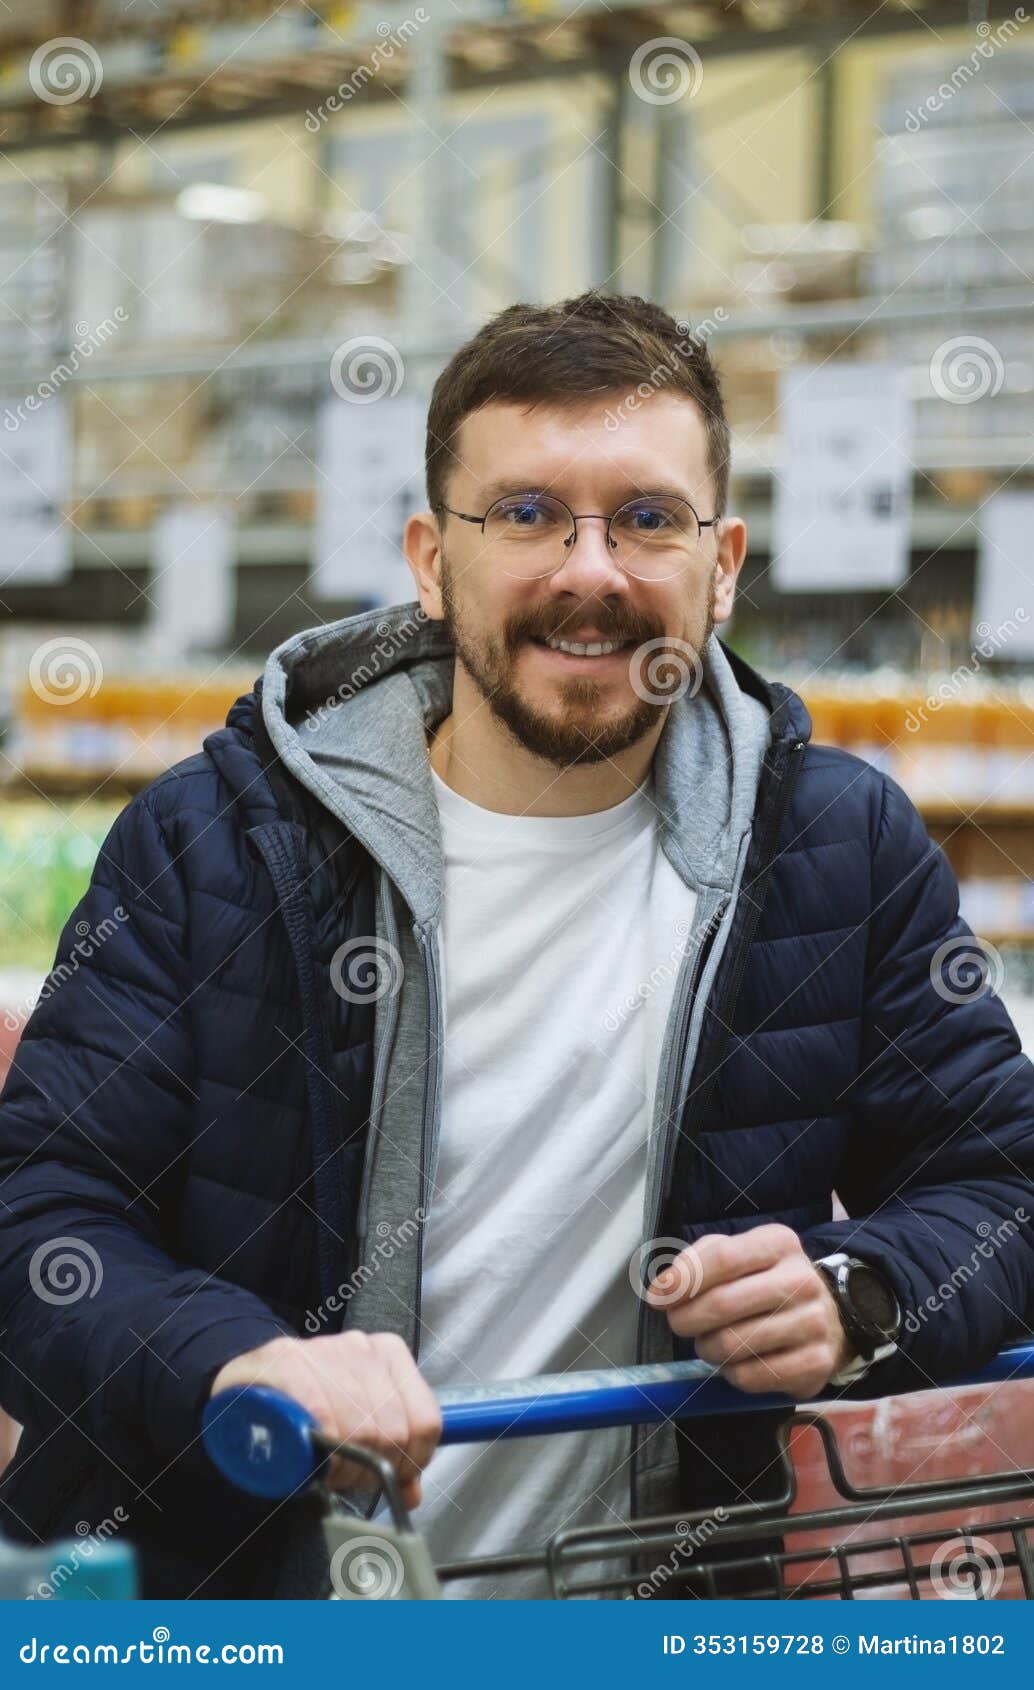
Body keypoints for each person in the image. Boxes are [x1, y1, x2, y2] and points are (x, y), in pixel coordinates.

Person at [1, 290, 1032, 1599]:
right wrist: (235, 1357)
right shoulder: (218, 841)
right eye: (528, 513)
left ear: (721, 565)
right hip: (245, 1603)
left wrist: (864, 1288)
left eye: (646, 518)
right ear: (433, 559)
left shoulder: (834, 851)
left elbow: (1003, 1185)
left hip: (638, 1612)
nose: (588, 572)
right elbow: (36, 1217)